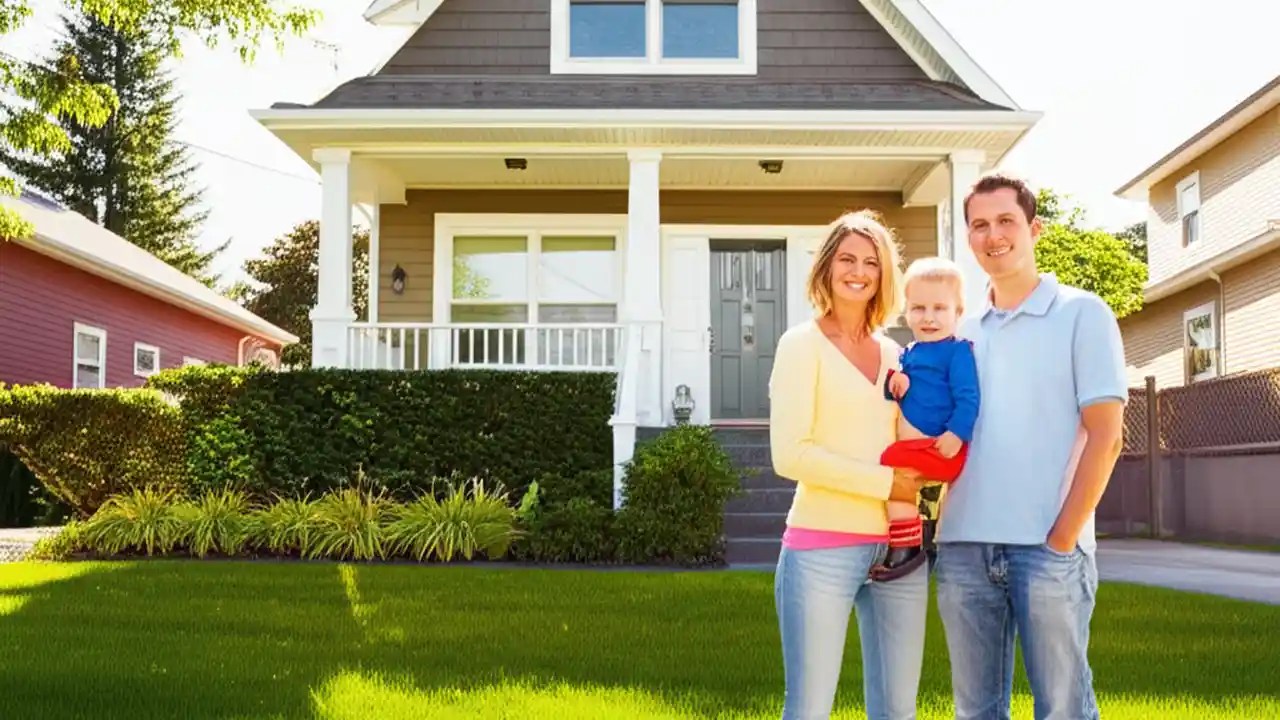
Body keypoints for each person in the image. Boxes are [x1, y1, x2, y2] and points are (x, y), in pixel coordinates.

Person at [934, 173, 1127, 720]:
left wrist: (1063, 538)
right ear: (968, 238)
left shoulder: (1082, 313)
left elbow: (1107, 436)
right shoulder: (959, 329)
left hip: (1048, 550)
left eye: (1005, 222)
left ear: (1034, 228)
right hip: (963, 547)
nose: (993, 236)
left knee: (1062, 709)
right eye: (979, 225)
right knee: (976, 711)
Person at [769, 209, 929, 720]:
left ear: (884, 275)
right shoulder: (801, 345)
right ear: (827, 267)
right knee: (810, 709)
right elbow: (791, 454)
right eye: (846, 259)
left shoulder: (896, 354)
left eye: (871, 262)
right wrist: (889, 483)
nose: (857, 271)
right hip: (821, 548)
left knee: (898, 711)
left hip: (899, 548)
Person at [871, 257, 979, 581]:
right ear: (906, 311)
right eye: (918, 308)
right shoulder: (909, 352)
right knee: (898, 478)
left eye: (939, 309)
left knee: (892, 469)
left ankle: (907, 546)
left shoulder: (957, 352)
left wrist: (957, 433)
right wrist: (896, 383)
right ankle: (920, 538)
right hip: (918, 448)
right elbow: (901, 391)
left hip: (939, 447)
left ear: (958, 313)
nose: (928, 318)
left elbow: (968, 397)